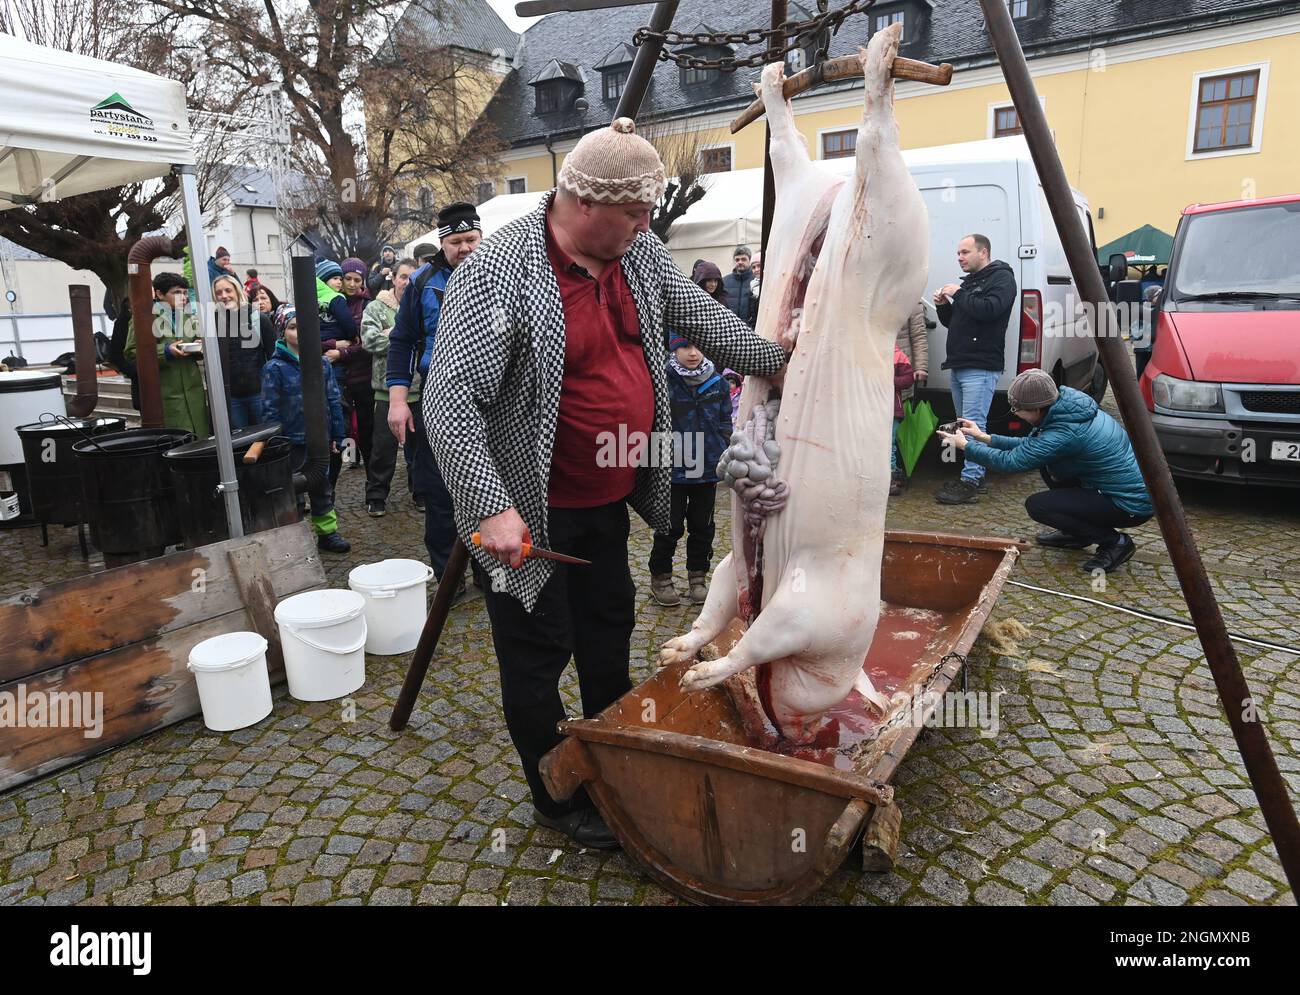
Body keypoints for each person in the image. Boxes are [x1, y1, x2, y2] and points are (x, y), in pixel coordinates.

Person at [424, 118, 787, 848]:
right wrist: (490, 505)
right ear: (585, 203)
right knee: (536, 656)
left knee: (606, 636)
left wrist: (783, 360)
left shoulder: (640, 254)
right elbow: (450, 398)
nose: (648, 225)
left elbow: (705, 321)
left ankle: (615, 762)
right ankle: (556, 794)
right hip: (527, 516)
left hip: (604, 501)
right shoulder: (496, 273)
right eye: (635, 212)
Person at [937, 368, 1153, 573]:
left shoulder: (1064, 432)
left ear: (1036, 409)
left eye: (1017, 409)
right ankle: (1077, 534)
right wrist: (985, 437)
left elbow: (1010, 462)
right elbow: (1032, 446)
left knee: (1038, 506)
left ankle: (1115, 543)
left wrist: (966, 446)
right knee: (1047, 467)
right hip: (1118, 490)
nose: (1015, 414)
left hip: (1129, 504)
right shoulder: (1068, 409)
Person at [387, 203, 483, 585]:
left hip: (490, 398)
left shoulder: (503, 275)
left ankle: (491, 571)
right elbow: (402, 342)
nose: (465, 248)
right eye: (456, 241)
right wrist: (397, 401)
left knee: (493, 484)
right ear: (442, 243)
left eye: (471, 239)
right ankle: (448, 577)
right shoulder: (422, 282)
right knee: (441, 492)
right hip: (438, 397)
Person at [932, 233, 1017, 505]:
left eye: (965, 252)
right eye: (958, 253)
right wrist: (943, 307)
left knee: (972, 425)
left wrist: (959, 294)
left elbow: (990, 310)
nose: (960, 258)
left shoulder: (1002, 279)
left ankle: (970, 481)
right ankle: (974, 476)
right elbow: (956, 322)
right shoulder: (970, 284)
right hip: (960, 363)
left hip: (980, 365)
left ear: (984, 252)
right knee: (965, 424)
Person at [649, 334, 732, 606]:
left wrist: (722, 451)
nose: (693, 353)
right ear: (674, 347)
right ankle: (661, 577)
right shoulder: (662, 379)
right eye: (685, 346)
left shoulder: (718, 382)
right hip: (671, 471)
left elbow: (724, 421)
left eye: (697, 346)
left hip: (706, 470)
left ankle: (698, 578)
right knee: (669, 526)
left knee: (703, 526)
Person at [261, 304, 351, 553]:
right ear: (282, 332)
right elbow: (269, 409)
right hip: (291, 442)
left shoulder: (322, 365)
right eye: (292, 327)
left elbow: (333, 399)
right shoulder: (274, 369)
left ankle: (327, 533)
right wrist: (275, 443)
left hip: (319, 440)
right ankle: (296, 538)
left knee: (322, 488)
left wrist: (337, 433)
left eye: (304, 326)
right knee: (293, 492)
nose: (299, 332)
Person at [361, 257, 418, 516]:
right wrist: (403, 337)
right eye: (403, 276)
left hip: (420, 389)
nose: (407, 282)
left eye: (412, 277)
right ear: (393, 278)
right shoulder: (376, 307)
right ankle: (376, 496)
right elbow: (370, 341)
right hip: (386, 390)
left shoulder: (422, 305)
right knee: (382, 450)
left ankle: (421, 494)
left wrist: (390, 334)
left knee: (419, 452)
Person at [124, 272, 210, 438]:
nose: (183, 297)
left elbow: (194, 342)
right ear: (159, 294)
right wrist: (166, 351)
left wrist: (200, 346)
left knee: (200, 437)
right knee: (176, 440)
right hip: (165, 391)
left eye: (185, 293)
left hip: (193, 390)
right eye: (177, 293)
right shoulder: (144, 318)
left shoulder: (186, 317)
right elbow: (131, 352)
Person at [315, 258, 361, 482]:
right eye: (341, 278)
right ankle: (342, 459)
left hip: (352, 373)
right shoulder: (336, 299)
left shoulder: (311, 297)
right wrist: (339, 344)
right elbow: (352, 331)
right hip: (339, 373)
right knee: (341, 417)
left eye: (356, 280)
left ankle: (349, 457)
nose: (344, 283)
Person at [212, 274, 275, 429]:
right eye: (219, 293)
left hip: (259, 393)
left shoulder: (259, 319)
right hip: (231, 397)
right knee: (239, 446)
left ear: (237, 291)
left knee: (266, 443)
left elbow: (273, 356)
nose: (224, 296)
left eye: (228, 290)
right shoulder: (213, 322)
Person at [339, 257, 374, 471]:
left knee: (365, 425)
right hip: (341, 377)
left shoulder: (368, 305)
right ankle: (352, 457)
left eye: (357, 279)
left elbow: (367, 344)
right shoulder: (334, 304)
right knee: (344, 427)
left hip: (364, 377)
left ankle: (371, 469)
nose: (352, 284)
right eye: (347, 278)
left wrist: (342, 352)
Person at [889, 345, 915, 497]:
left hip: (892, 409)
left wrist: (890, 380)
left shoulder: (897, 355)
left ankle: (890, 478)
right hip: (870, 407)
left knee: (888, 443)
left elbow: (908, 379)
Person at [722, 244, 755, 325]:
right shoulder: (724, 281)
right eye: (737, 260)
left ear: (749, 261)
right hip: (730, 329)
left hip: (751, 330)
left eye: (743, 259)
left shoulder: (756, 281)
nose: (740, 262)